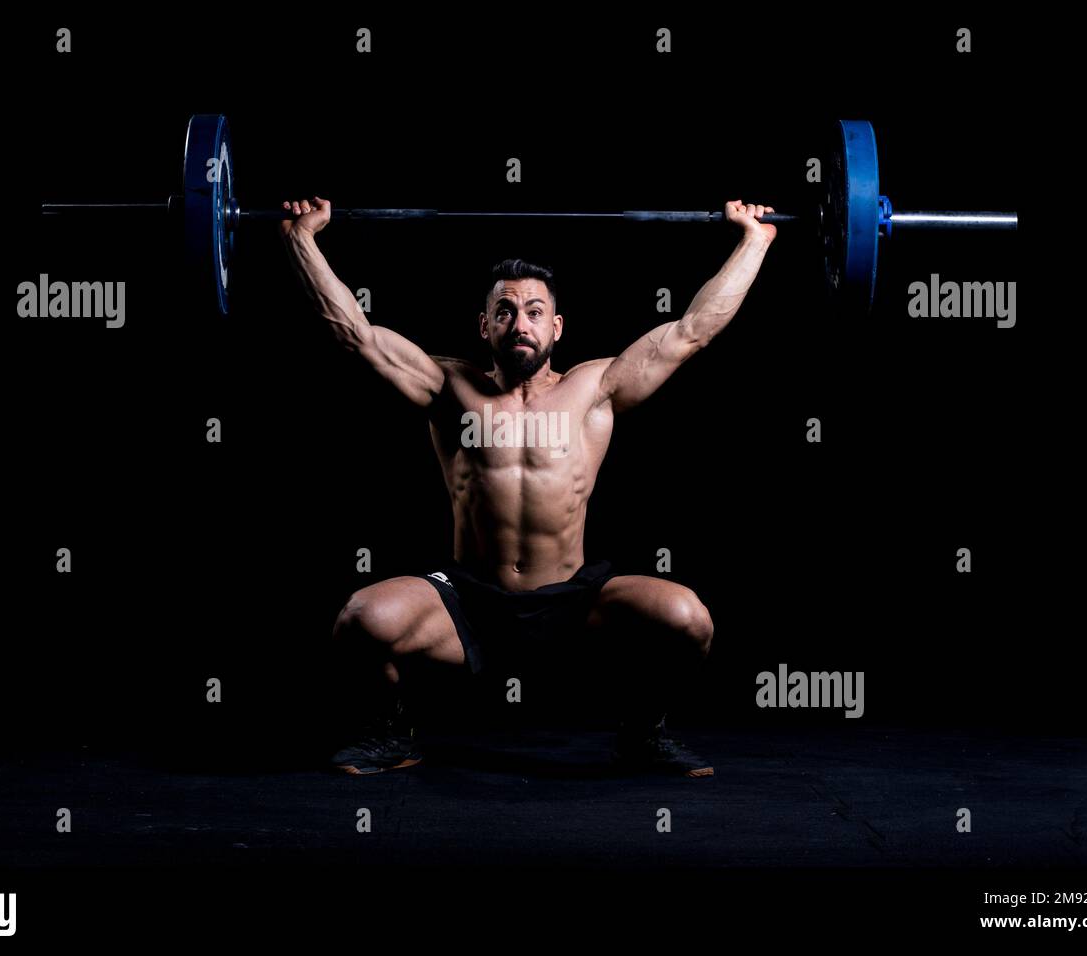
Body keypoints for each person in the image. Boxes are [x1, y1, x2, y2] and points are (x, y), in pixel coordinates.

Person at [281, 197, 776, 776]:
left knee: (688, 619)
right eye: (506, 311)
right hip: (469, 599)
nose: (521, 323)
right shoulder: (448, 387)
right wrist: (301, 238)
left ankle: (643, 734)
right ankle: (395, 732)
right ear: (484, 324)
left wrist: (754, 241)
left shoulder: (596, 388)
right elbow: (356, 334)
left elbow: (693, 330)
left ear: (557, 327)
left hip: (573, 601)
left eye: (536, 311)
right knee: (362, 617)